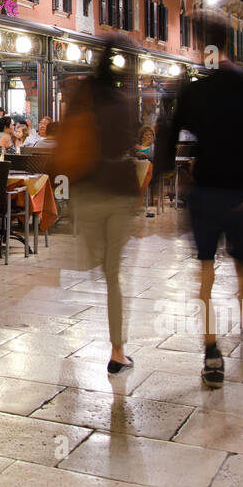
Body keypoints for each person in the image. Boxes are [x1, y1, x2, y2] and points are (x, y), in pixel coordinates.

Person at [159, 10, 243, 388]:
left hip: (203, 194)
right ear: (232, 42)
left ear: (201, 45)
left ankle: (211, 350)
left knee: (205, 272)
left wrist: (166, 185)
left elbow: (166, 138)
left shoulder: (193, 89)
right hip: (239, 195)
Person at [57, 46, 143, 375]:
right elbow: (128, 144)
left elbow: (66, 140)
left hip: (89, 191)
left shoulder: (81, 95)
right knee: (114, 276)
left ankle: (94, 260)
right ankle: (118, 350)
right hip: (118, 191)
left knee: (98, 264)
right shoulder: (124, 102)